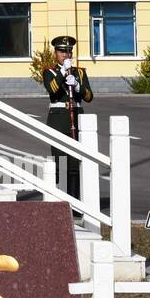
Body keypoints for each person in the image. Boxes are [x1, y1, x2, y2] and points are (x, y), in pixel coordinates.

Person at [41, 35, 92, 199]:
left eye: (69, 51)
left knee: (75, 164)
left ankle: (76, 202)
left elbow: (89, 96)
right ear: (55, 52)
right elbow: (52, 89)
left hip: (76, 117)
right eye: (62, 51)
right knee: (60, 162)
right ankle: (61, 200)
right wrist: (63, 72)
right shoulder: (49, 71)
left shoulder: (80, 72)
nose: (65, 55)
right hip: (58, 120)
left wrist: (77, 85)